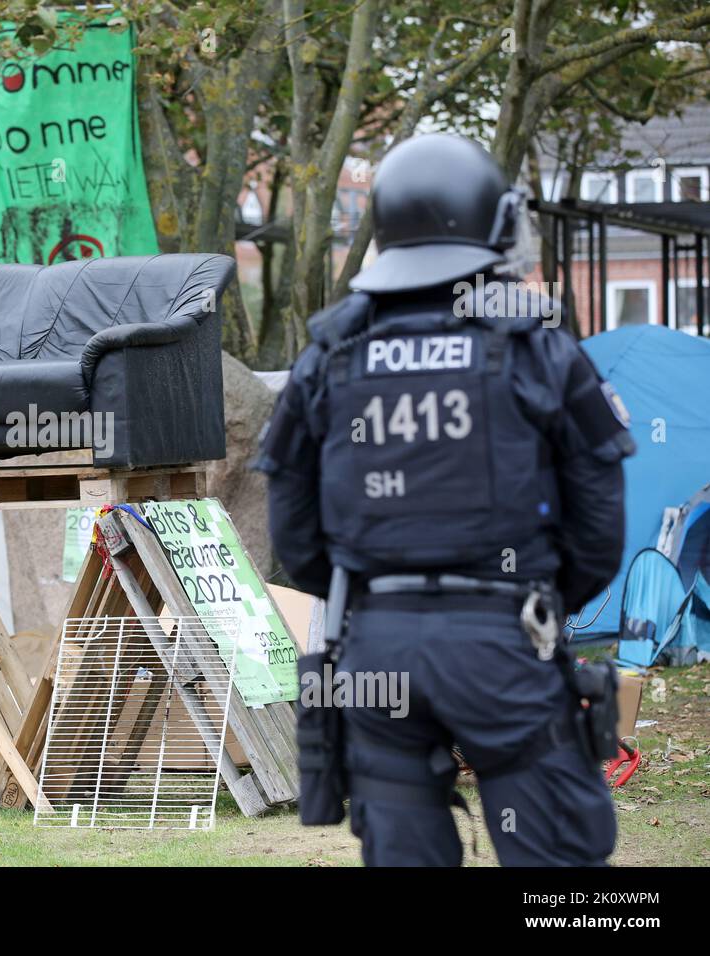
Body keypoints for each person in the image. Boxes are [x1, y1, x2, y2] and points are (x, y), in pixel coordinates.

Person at [256, 133, 636, 866]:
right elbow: (600, 522)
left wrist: (370, 598)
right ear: (490, 223)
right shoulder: (536, 345)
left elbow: (293, 530)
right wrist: (543, 599)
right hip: (506, 642)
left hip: (374, 649)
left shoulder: (330, 354)